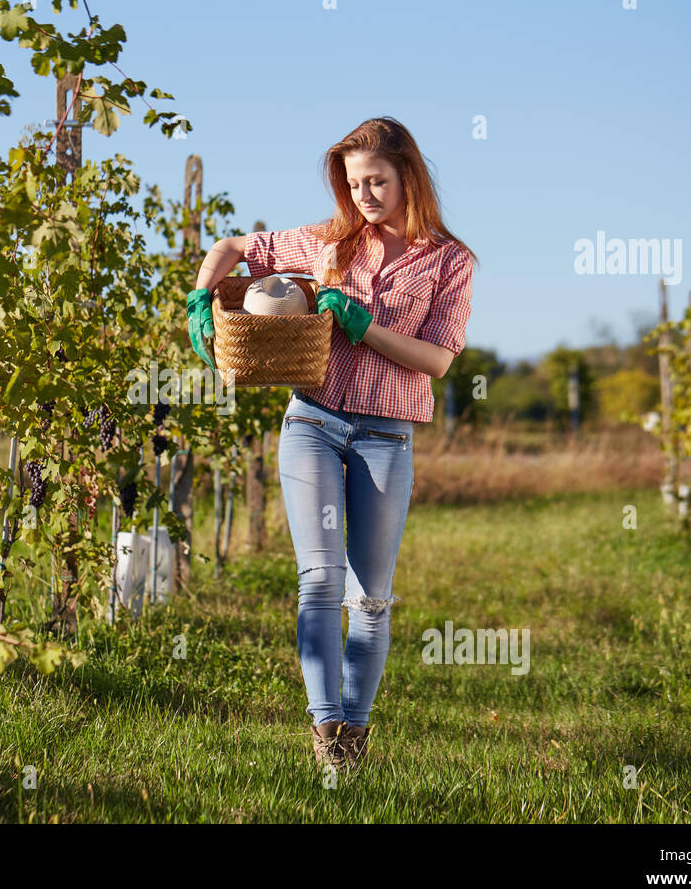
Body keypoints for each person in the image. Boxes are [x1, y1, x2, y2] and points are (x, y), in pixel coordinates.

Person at [185, 117, 476, 771]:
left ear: (409, 175)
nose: (366, 194)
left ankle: (354, 736)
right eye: (354, 183)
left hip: (385, 438)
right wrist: (201, 300)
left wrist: (363, 327)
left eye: (377, 180)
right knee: (318, 580)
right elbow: (232, 247)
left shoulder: (450, 262)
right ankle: (326, 738)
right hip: (313, 423)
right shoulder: (333, 241)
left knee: (369, 598)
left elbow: (437, 361)